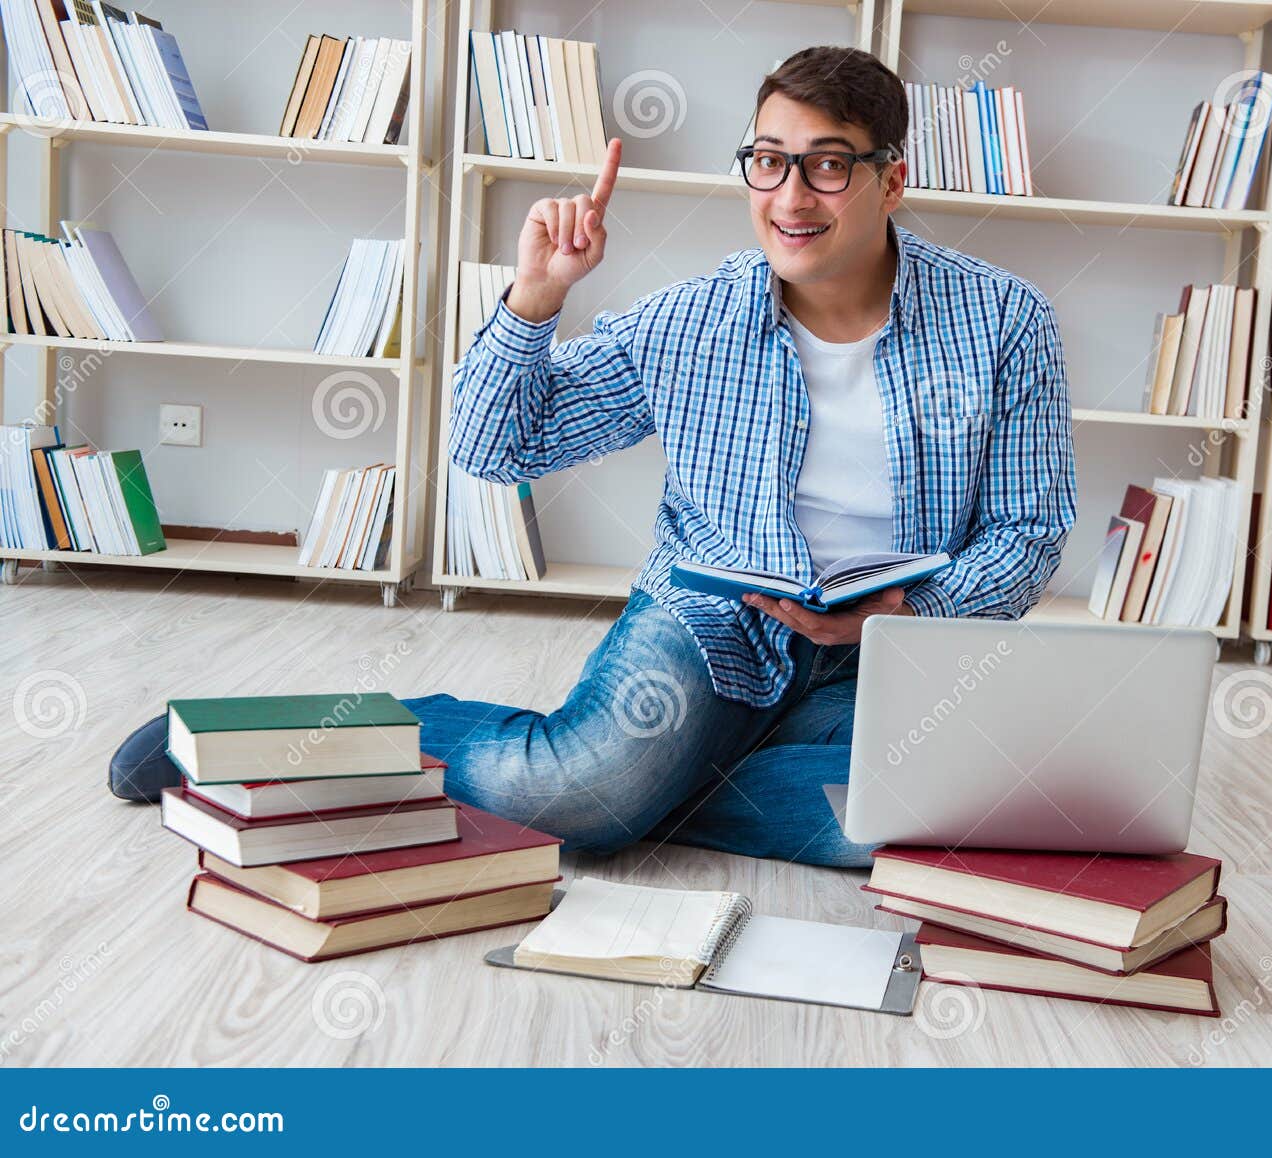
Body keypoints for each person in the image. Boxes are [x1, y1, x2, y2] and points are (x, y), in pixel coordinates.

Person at [108, 46, 1076, 868]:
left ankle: (656, 787)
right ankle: (315, 733)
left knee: (931, 820)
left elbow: (1030, 533)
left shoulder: (1003, 321)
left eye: (827, 167)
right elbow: (497, 446)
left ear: (889, 179)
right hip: (713, 627)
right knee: (578, 800)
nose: (790, 197)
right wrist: (535, 297)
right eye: (769, 162)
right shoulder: (694, 320)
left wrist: (907, 607)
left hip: (898, 647)